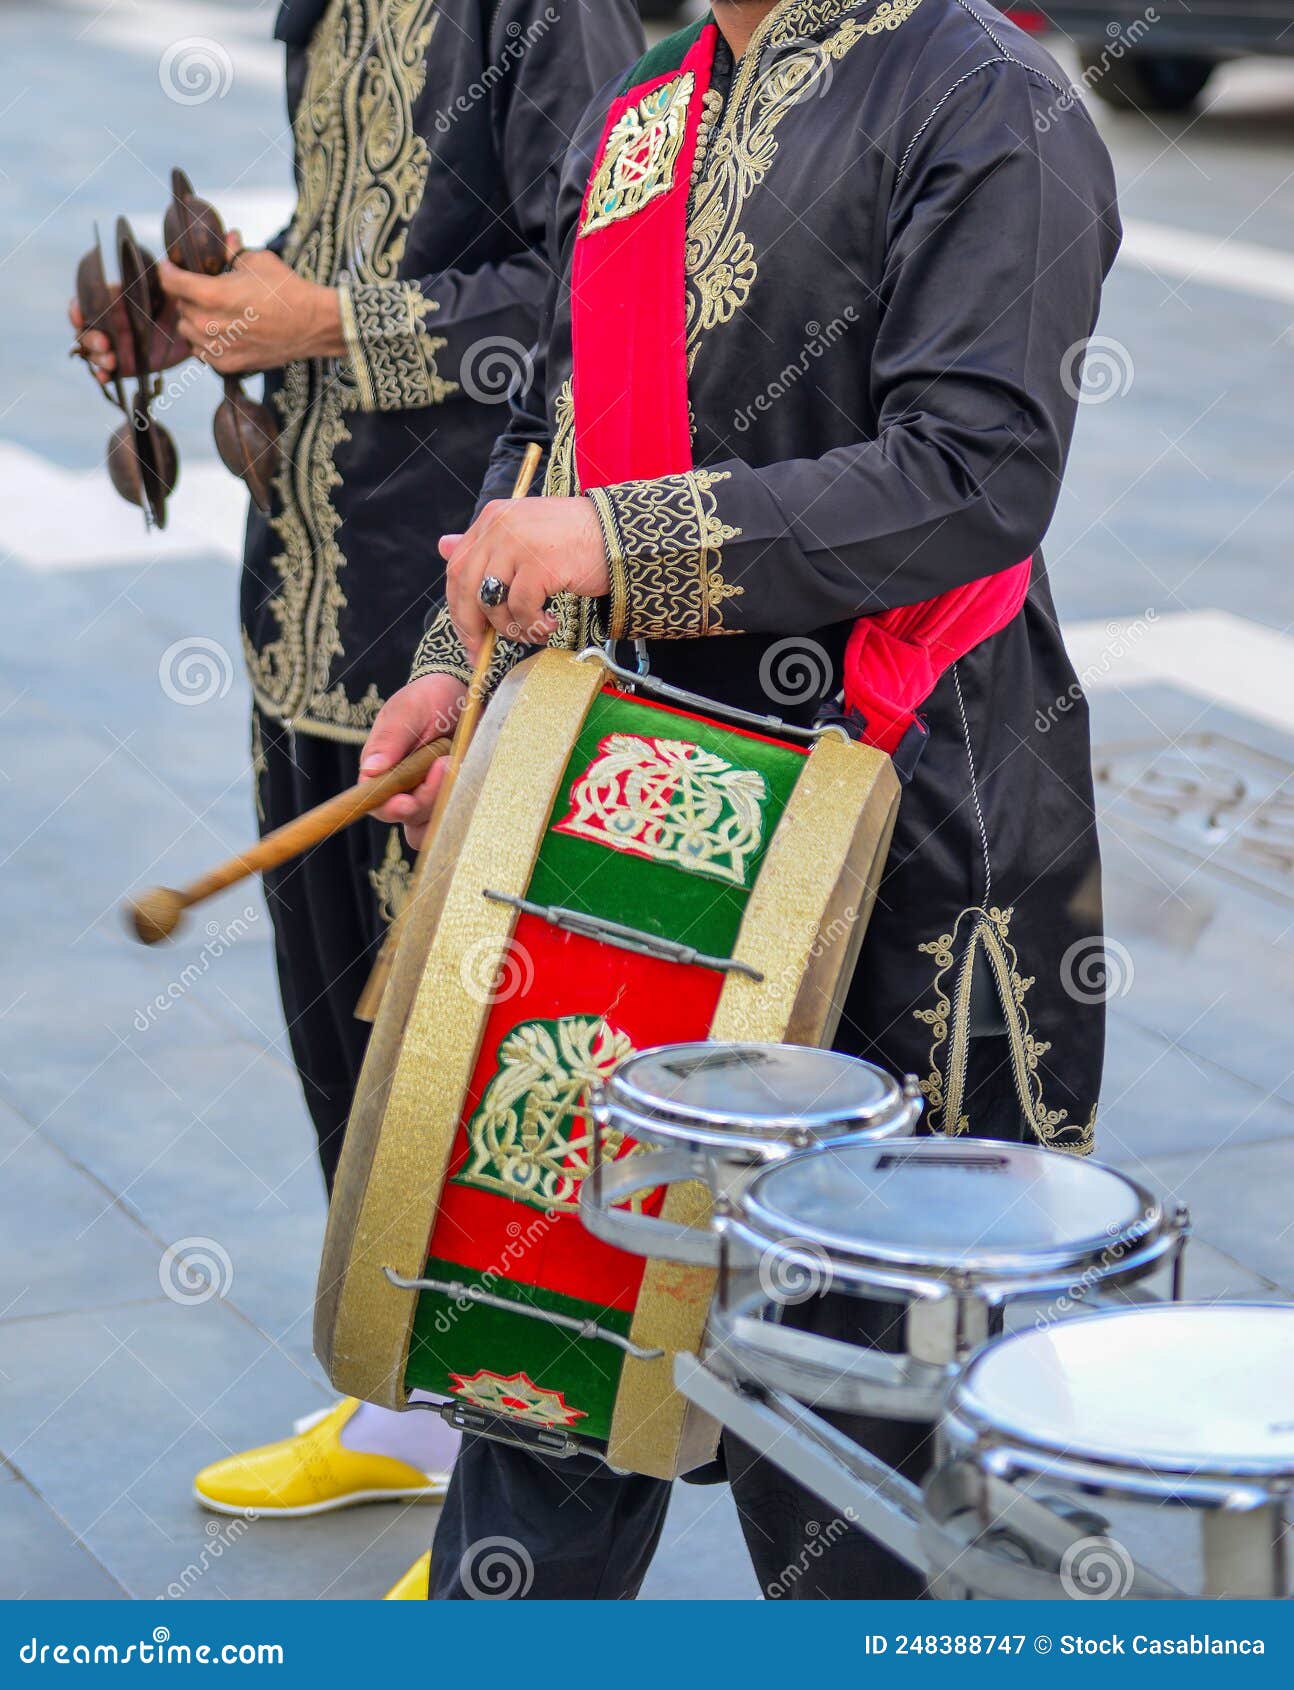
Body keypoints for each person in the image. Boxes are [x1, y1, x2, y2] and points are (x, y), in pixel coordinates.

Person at [360, 0, 1122, 1599]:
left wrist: (617, 544)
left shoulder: (985, 97)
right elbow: (550, 432)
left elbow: (979, 471)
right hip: (629, 809)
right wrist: (463, 661)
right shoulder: (647, 105)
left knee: (840, 1411)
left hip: (905, 811)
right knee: (554, 1331)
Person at [69, 0, 645, 1574]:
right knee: (339, 1030)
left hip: (458, 596)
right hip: (302, 598)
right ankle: (407, 1416)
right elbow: (364, 231)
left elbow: (594, 294)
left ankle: (511, 1481)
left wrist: (324, 322)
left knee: (471, 1056)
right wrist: (213, 311)